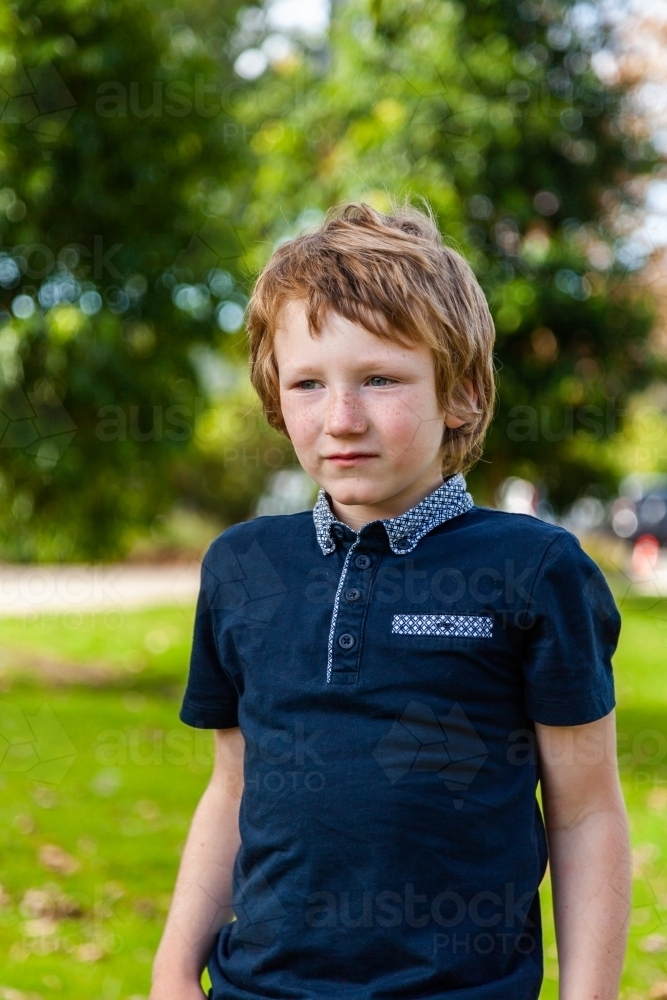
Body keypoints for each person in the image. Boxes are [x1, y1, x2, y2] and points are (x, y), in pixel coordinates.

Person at [149, 201, 631, 1000]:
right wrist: (172, 972)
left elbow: (585, 813)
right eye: (308, 383)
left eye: (379, 379)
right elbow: (232, 788)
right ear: (276, 398)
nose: (341, 419)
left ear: (462, 395)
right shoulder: (241, 567)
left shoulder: (534, 568)